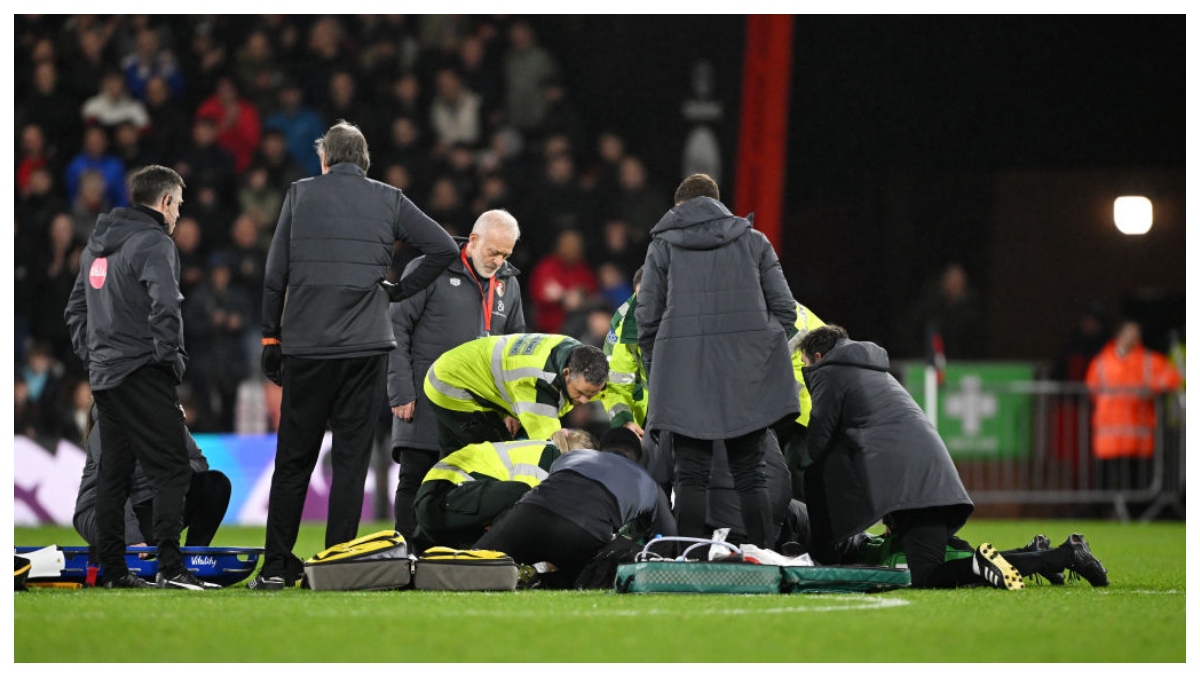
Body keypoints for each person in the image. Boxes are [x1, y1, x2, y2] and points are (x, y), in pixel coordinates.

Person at [253, 121, 458, 591]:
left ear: (325, 160)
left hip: (307, 348)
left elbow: (274, 273)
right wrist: (397, 290)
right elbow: (444, 247)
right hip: (367, 348)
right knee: (350, 461)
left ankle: (276, 567)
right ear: (365, 162)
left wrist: (270, 338)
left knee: (293, 461)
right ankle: (335, 566)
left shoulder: (301, 195)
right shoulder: (389, 198)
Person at [63, 164, 213, 590]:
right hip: (143, 371)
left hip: (106, 379)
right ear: (165, 202)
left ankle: (113, 572)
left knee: (113, 476)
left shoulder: (95, 248)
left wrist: (95, 359)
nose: (178, 215)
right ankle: (171, 567)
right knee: (171, 470)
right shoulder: (154, 243)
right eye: (178, 206)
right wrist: (169, 361)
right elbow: (166, 306)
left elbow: (75, 311)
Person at [636, 173, 798, 551]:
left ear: (680, 207)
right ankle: (765, 558)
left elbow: (647, 319)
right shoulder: (755, 242)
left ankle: (688, 561)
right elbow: (786, 312)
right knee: (751, 475)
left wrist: (659, 367)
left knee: (690, 477)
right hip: (746, 378)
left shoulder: (663, 247)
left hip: (685, 377)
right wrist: (755, 352)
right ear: (718, 203)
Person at [800, 324, 1019, 590]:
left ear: (819, 357)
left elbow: (818, 439)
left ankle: (980, 566)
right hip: (929, 479)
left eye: (805, 364)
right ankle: (1048, 556)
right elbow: (888, 444)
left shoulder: (830, 372)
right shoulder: (873, 372)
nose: (805, 372)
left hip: (917, 488)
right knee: (929, 569)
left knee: (925, 576)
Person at [388, 209, 525, 540]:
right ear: (474, 240)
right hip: (424, 400)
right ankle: (406, 553)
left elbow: (516, 350)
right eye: (494, 252)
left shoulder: (509, 284)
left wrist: (512, 406)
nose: (498, 261)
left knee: (466, 483)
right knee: (415, 478)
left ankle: (452, 556)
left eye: (506, 254)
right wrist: (401, 390)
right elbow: (395, 327)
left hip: (479, 412)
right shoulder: (428, 268)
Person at [474, 427, 676, 589]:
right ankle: (546, 581)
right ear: (637, 457)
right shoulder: (650, 485)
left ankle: (530, 577)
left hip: (528, 516)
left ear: (602, 449)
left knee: (472, 566)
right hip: (581, 533)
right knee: (595, 572)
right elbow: (667, 538)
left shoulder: (571, 457)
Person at [73, 404, 231, 552]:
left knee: (216, 485)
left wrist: (171, 470)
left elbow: (199, 462)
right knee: (154, 535)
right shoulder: (107, 425)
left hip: (150, 501)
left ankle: (194, 559)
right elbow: (113, 487)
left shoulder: (167, 414)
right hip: (102, 509)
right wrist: (132, 537)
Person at [423, 333, 608, 455]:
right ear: (566, 373)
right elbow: (552, 449)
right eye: (581, 393)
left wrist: (511, 410)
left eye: (591, 395)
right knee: (497, 458)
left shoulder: (572, 352)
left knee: (458, 457)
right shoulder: (536, 385)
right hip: (452, 383)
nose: (584, 401)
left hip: (468, 366)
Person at [412, 429, 595, 550]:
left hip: (440, 503)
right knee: (524, 500)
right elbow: (529, 514)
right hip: (445, 498)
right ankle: (491, 557)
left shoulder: (542, 450)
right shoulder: (547, 459)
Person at [1084, 319, 1183, 492]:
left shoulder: (1148, 360)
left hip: (1137, 435)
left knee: (1136, 482)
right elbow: (1091, 388)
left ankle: (1134, 513)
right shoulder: (1101, 362)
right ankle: (1105, 513)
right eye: (1130, 332)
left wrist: (1152, 388)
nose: (1134, 337)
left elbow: (1172, 378)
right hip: (1109, 435)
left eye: (1136, 333)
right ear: (1119, 335)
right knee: (1106, 480)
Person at [600, 266, 647, 438]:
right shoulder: (624, 323)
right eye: (641, 298)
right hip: (649, 424)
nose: (646, 305)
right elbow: (616, 385)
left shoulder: (690, 312)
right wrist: (625, 421)